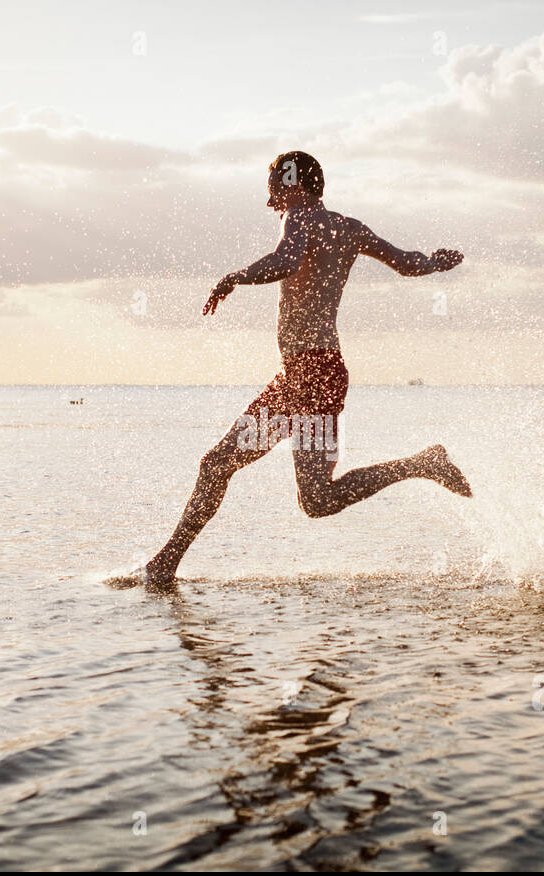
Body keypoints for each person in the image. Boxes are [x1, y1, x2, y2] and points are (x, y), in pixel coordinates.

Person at [140, 151, 471, 588]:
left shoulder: (298, 220)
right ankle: (422, 463)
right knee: (315, 499)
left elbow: (285, 261)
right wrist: (434, 261)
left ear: (291, 181)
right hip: (316, 373)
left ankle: (164, 566)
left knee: (220, 466)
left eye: (272, 186)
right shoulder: (350, 228)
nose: (269, 198)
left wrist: (235, 277)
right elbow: (407, 263)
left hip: (309, 375)